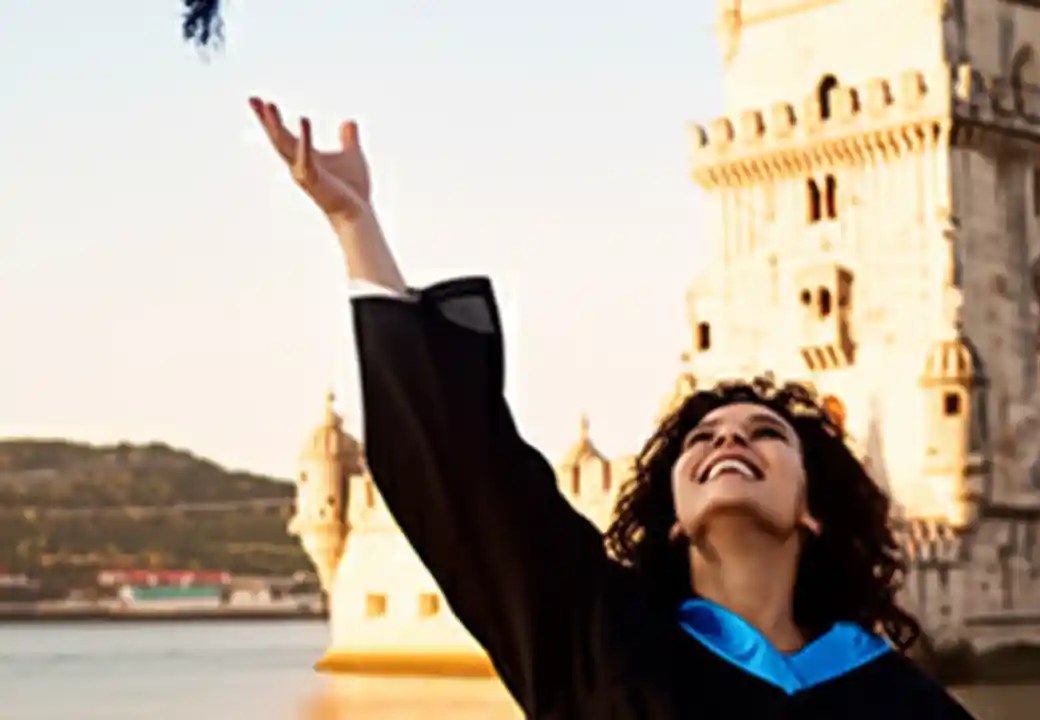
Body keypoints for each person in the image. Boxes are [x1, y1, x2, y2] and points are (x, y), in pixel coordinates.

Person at [247, 98, 977, 719]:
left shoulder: (898, 700)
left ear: (813, 510)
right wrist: (357, 227)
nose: (728, 440)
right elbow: (468, 478)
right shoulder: (601, 638)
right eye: (702, 438)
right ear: (672, 516)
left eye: (765, 434)